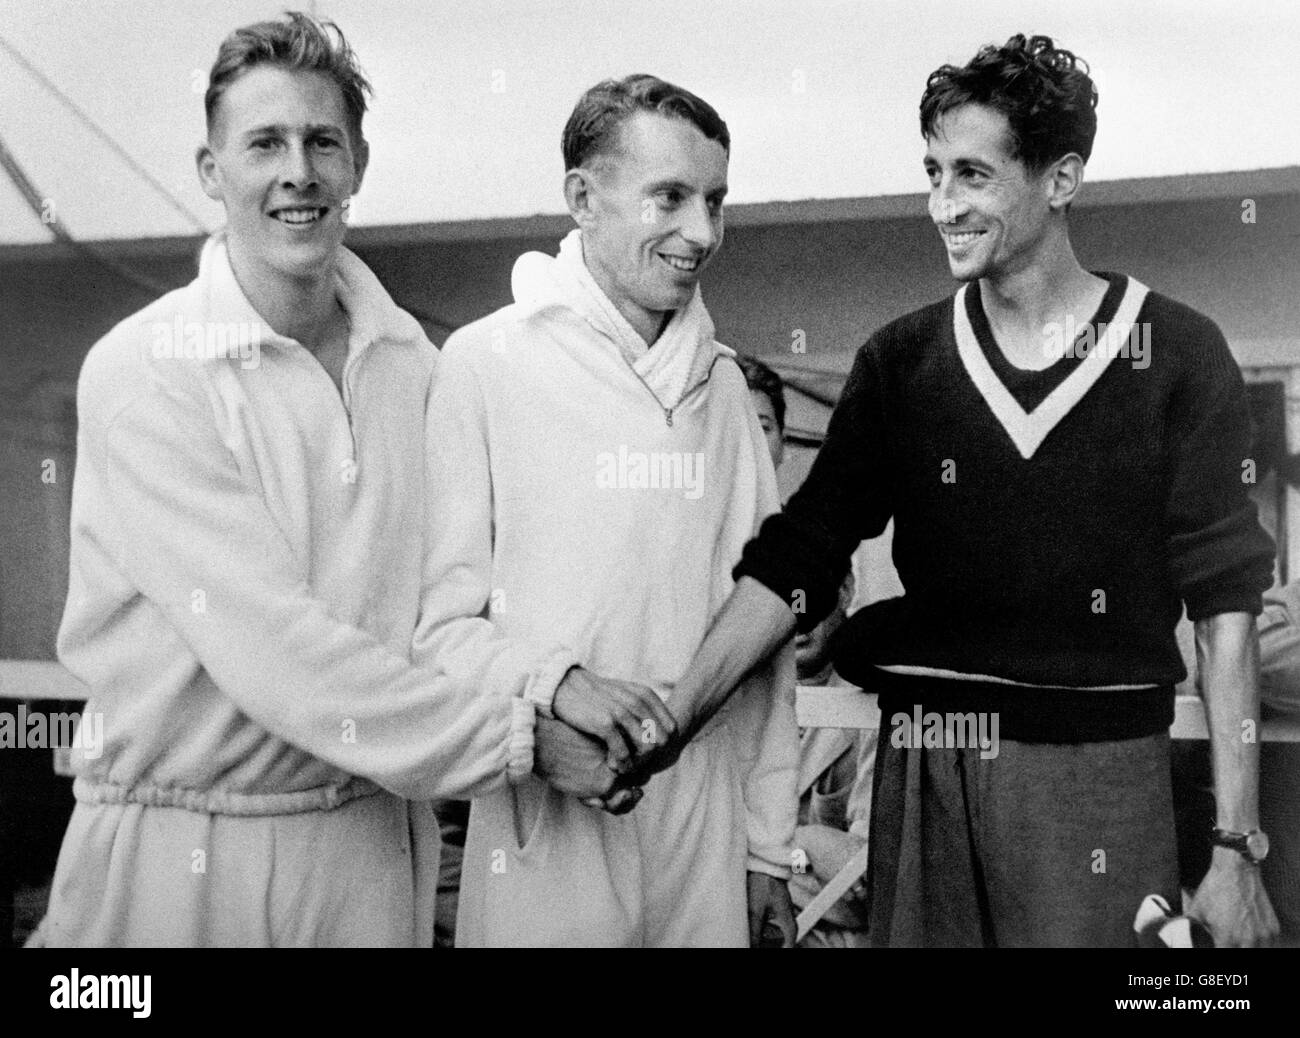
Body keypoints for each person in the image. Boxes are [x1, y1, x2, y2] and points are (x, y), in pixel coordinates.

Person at [660, 34, 1278, 947]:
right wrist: (673, 719)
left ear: (1060, 178)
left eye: (973, 176)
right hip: (926, 757)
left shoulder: (1177, 352)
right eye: (933, 172)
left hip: (1095, 772)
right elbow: (803, 554)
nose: (942, 204)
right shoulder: (902, 359)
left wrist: (1236, 850)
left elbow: (1227, 610)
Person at [39, 12, 621, 948]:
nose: (297, 172)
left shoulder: (416, 368)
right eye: (264, 143)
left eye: (322, 142)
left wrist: (562, 683)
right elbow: (279, 651)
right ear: (210, 171)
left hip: (369, 849)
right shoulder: (144, 370)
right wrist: (521, 740)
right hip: (181, 851)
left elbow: (451, 606)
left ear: (357, 163)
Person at [419, 75, 799, 947]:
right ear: (583, 199)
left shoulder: (728, 388)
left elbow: (766, 632)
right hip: (543, 816)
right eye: (668, 197)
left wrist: (768, 848)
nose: (700, 232)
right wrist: (558, 686)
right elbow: (436, 632)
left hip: (703, 825)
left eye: (715, 201)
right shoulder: (482, 365)